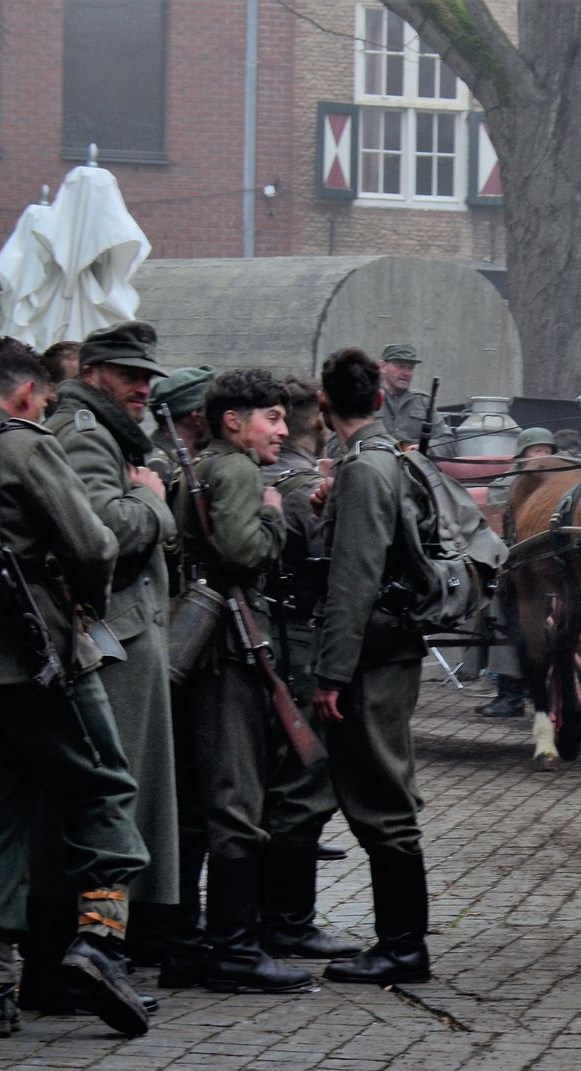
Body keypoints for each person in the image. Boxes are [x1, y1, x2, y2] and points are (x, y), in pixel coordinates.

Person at [0, 338, 151, 1039]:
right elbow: (93, 545)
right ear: (29, 394)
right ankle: (97, 944)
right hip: (35, 652)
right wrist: (82, 608)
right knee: (104, 786)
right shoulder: (25, 446)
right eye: (47, 400)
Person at [41, 322, 180, 999]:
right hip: (111, 640)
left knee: (116, 800)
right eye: (130, 375)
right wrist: (152, 502)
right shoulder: (88, 436)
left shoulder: (100, 432)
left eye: (148, 376)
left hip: (121, 635)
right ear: (94, 372)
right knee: (108, 805)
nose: (143, 387)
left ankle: (96, 953)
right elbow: (102, 531)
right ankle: (92, 955)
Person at [166, 369, 312, 994]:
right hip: (228, 649)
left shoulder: (203, 465)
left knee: (199, 803)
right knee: (235, 798)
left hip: (206, 646)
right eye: (271, 418)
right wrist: (275, 515)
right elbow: (243, 555)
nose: (283, 430)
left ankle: (182, 942)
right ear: (234, 421)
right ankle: (233, 951)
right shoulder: (235, 471)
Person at [313, 348, 435, 985]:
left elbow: (354, 578)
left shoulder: (364, 468)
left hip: (372, 657)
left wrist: (330, 674)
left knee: (381, 798)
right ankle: (400, 942)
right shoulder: (386, 459)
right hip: (385, 650)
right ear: (381, 399)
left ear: (324, 404)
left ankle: (403, 947)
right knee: (381, 793)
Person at [260, 375, 361, 960]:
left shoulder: (254, 474)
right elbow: (333, 568)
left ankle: (262, 912)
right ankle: (289, 921)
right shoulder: (301, 489)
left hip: (264, 637)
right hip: (300, 639)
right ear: (316, 422)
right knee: (303, 781)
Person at [479, 427, 558, 718]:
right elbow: (497, 526)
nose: (544, 457)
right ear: (522, 455)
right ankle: (510, 692)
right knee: (504, 608)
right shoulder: (506, 484)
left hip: (553, 563)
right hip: (514, 564)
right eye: (537, 451)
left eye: (548, 451)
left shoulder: (563, 485)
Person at [375, 344, 433, 445]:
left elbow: (447, 439)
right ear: (383, 367)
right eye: (400, 366)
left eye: (410, 368)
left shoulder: (423, 402)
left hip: (414, 459)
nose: (406, 373)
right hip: (376, 458)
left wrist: (426, 448)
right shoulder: (365, 399)